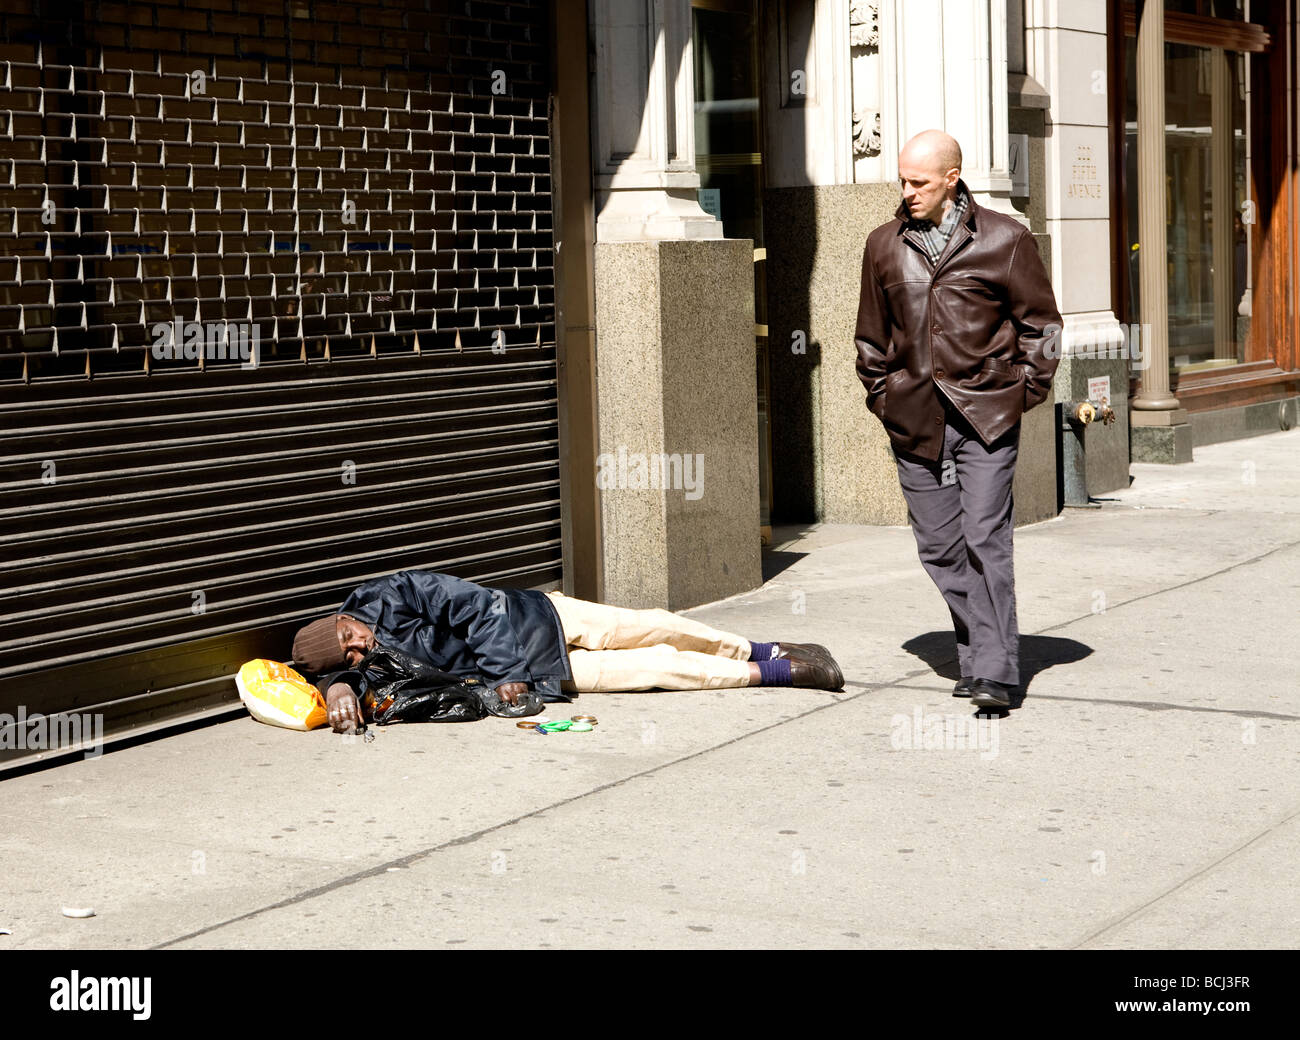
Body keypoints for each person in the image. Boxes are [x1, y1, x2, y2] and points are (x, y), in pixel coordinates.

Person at [853, 129, 1062, 710]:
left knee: (984, 538)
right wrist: (883, 396)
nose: (907, 192)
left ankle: (994, 671)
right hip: (915, 417)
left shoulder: (1006, 239)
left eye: (918, 182)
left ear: (952, 178)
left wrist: (1024, 391)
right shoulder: (882, 245)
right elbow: (871, 336)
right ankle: (977, 653)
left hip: (987, 416)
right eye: (901, 180)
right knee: (940, 548)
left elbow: (1042, 328)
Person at [290, 570, 845, 733]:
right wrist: (338, 687)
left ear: (342, 617)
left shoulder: (390, 594)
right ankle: (783, 671)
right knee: (660, 669)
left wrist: (505, 674)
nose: (359, 644)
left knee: (659, 628)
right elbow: (352, 688)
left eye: (349, 634)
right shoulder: (361, 667)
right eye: (350, 655)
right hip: (551, 674)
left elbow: (477, 607)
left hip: (544, 618)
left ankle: (766, 644)